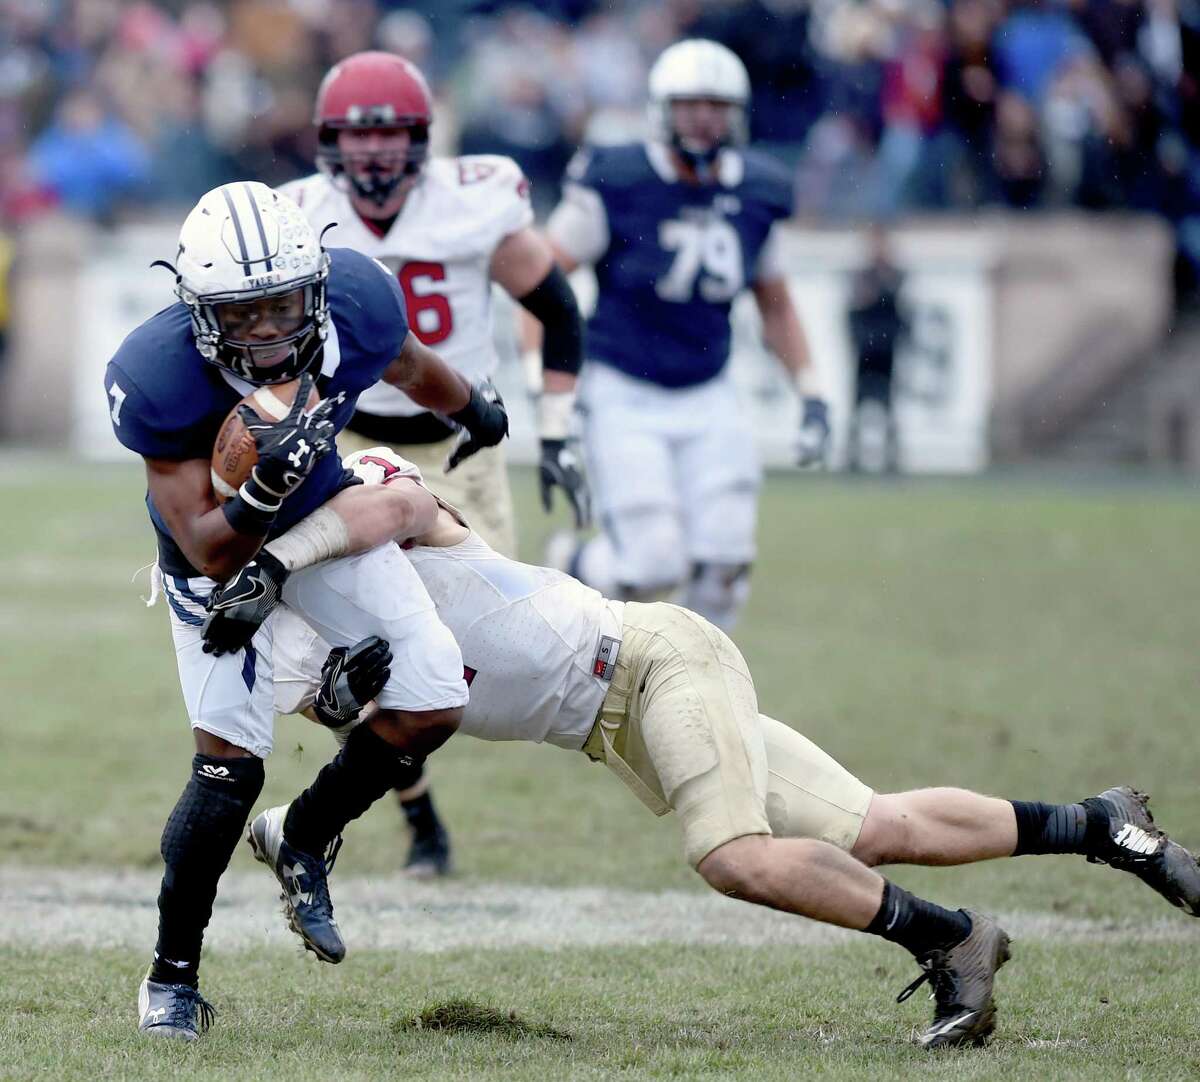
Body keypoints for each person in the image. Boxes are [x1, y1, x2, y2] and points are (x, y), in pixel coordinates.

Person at [201, 446, 1200, 1051]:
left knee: (732, 855)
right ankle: (1106, 825)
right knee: (875, 823)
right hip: (612, 721)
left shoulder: (366, 505)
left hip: (647, 658)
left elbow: (411, 505)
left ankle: (950, 937)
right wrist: (331, 708)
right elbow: (362, 721)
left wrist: (297, 549)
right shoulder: (282, 612)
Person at [103, 181, 510, 1041]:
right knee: (227, 769)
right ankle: (171, 977)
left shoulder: (357, 299)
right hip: (214, 561)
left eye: (282, 304)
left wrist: (469, 405)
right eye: (240, 314)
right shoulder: (159, 375)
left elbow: (403, 361)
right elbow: (209, 545)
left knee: (435, 695)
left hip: (324, 523)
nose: (265, 329)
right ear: (198, 309)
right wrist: (261, 485)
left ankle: (304, 834)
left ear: (317, 288)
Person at [279, 51, 590, 876]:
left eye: (389, 136)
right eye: (357, 136)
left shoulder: (475, 198)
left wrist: (556, 427)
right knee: (343, 655)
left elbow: (555, 309)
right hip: (345, 442)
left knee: (483, 654)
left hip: (461, 443)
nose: (374, 154)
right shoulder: (297, 214)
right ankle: (416, 819)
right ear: (329, 143)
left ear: (421, 140)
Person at [542, 38, 829, 634]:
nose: (704, 118)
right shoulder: (617, 178)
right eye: (690, 104)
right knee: (652, 565)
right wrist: (544, 381)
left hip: (708, 389)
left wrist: (812, 390)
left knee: (725, 563)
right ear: (661, 109)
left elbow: (775, 304)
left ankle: (696, 690)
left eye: (717, 106)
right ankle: (573, 564)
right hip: (624, 387)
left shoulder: (757, 191)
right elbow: (540, 280)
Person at [846, 223, 907, 473]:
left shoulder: (893, 276)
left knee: (889, 407)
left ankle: (891, 458)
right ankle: (853, 457)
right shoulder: (862, 276)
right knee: (858, 407)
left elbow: (899, 310)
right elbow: (853, 313)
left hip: (886, 350)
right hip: (865, 351)